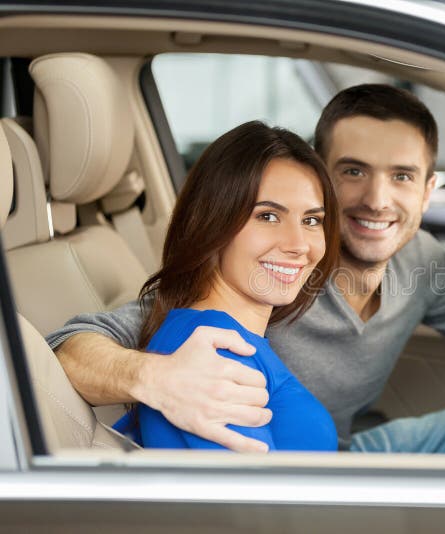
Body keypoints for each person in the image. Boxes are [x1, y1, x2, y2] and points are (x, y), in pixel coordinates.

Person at [47, 84, 445, 455]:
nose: (377, 200)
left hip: (334, 451)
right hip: (314, 468)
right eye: (354, 171)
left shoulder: (419, 261)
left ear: (430, 189)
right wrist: (153, 377)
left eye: (403, 177)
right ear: (320, 170)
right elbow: (75, 344)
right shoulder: (244, 290)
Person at [130, 121, 340, 451]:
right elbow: (251, 503)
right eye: (268, 216)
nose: (298, 244)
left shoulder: (228, 338)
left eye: (311, 220)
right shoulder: (213, 353)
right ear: (213, 220)